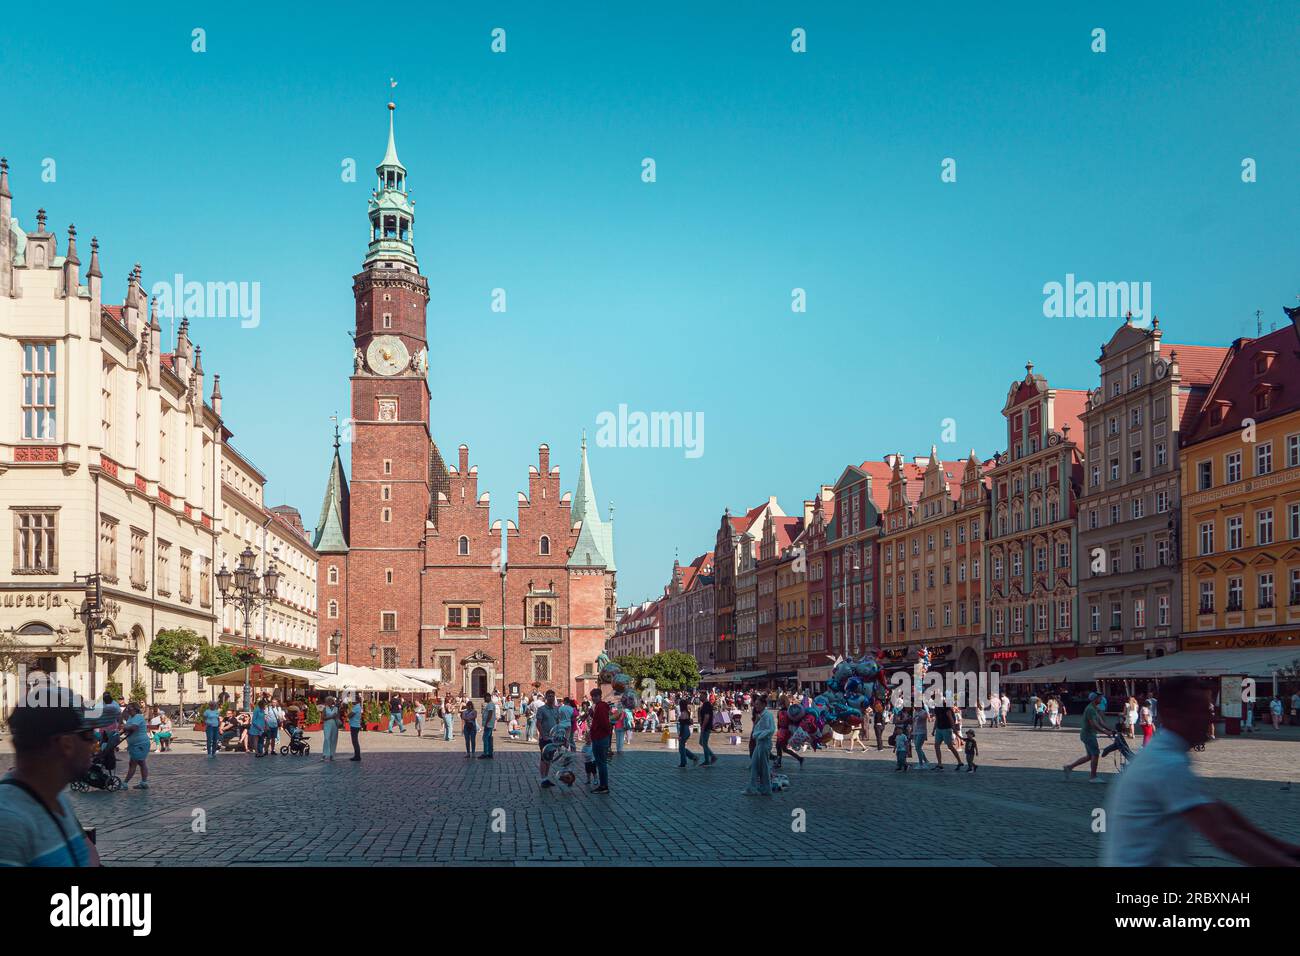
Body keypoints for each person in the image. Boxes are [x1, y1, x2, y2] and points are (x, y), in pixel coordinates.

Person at [1103, 676, 1300, 866]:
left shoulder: (1164, 752)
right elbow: (1225, 836)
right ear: (1172, 714)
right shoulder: (1165, 762)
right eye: (1200, 711)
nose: (1210, 719)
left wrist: (1283, 847)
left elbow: (1218, 810)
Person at [0, 682, 112, 866]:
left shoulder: (57, 799)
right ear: (66, 744)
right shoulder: (9, 822)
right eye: (89, 735)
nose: (94, 744)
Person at [1063, 691, 1111, 783]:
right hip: (1088, 735)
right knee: (1095, 754)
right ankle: (1093, 777)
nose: (1102, 699)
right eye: (1100, 698)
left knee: (1090, 756)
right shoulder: (1090, 709)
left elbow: (1101, 722)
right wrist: (1106, 732)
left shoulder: (1094, 708)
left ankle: (1069, 767)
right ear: (1095, 699)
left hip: (1088, 734)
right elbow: (1094, 724)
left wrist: (1111, 730)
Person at [743, 696, 775, 795]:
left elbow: (771, 729)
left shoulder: (767, 715)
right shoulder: (761, 715)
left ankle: (766, 788)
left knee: (764, 767)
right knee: (754, 765)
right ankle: (752, 788)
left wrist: (759, 735)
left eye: (758, 704)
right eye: (755, 704)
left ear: (763, 705)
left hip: (764, 743)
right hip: (759, 743)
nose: (755, 706)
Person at [534, 690, 563, 788]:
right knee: (544, 758)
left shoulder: (556, 709)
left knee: (549, 759)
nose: (551, 698)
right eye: (549, 696)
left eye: (552, 696)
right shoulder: (542, 709)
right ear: (546, 697)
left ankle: (546, 778)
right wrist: (543, 735)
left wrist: (559, 735)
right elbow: (538, 723)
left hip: (553, 738)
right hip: (544, 738)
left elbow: (558, 723)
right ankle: (543, 779)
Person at [121, 703, 151, 789]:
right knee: (141, 763)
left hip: (140, 744)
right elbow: (128, 727)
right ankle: (144, 782)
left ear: (135, 709)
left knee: (133, 763)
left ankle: (125, 783)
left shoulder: (138, 717)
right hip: (134, 744)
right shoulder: (131, 717)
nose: (128, 711)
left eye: (129, 709)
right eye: (127, 709)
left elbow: (133, 728)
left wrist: (125, 727)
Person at [588, 688, 612, 793]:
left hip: (600, 738)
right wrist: (592, 714)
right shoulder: (599, 706)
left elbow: (604, 723)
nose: (593, 698)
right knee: (601, 762)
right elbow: (599, 720)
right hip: (600, 737)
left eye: (596, 696)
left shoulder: (601, 706)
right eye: (592, 696)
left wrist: (605, 734)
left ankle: (603, 786)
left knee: (601, 763)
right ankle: (603, 785)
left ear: (600, 696)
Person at [932, 698, 963, 770]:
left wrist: (954, 729)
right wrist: (934, 729)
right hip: (939, 729)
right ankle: (939, 764)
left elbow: (951, 720)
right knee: (936, 745)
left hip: (946, 729)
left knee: (950, 746)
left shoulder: (947, 709)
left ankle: (959, 761)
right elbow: (937, 719)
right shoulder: (936, 708)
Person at [676, 697, 699, 767]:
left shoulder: (683, 713)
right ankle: (693, 757)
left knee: (681, 748)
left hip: (684, 731)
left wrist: (680, 735)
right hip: (687, 730)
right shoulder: (687, 712)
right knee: (682, 747)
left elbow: (682, 725)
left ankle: (684, 762)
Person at [697, 696, 716, 765]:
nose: (699, 697)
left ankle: (707, 760)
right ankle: (712, 756)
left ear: (704, 696)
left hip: (706, 727)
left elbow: (707, 717)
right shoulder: (705, 705)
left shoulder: (706, 705)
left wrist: (703, 726)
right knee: (701, 742)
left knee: (704, 743)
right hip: (706, 726)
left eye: (701, 695)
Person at [479, 694, 496, 759]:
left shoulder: (490, 704)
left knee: (485, 738)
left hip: (488, 724)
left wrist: (487, 722)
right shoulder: (489, 704)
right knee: (488, 739)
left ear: (488, 697)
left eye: (485, 698)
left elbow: (490, 713)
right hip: (489, 724)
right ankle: (490, 752)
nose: (484, 699)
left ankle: (486, 753)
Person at [348, 697, 363, 761]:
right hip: (356, 725)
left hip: (354, 725)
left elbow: (350, 715)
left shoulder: (356, 707)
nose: (352, 701)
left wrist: (348, 714)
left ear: (356, 701)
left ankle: (357, 756)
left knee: (355, 741)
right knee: (355, 741)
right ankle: (357, 755)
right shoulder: (358, 707)